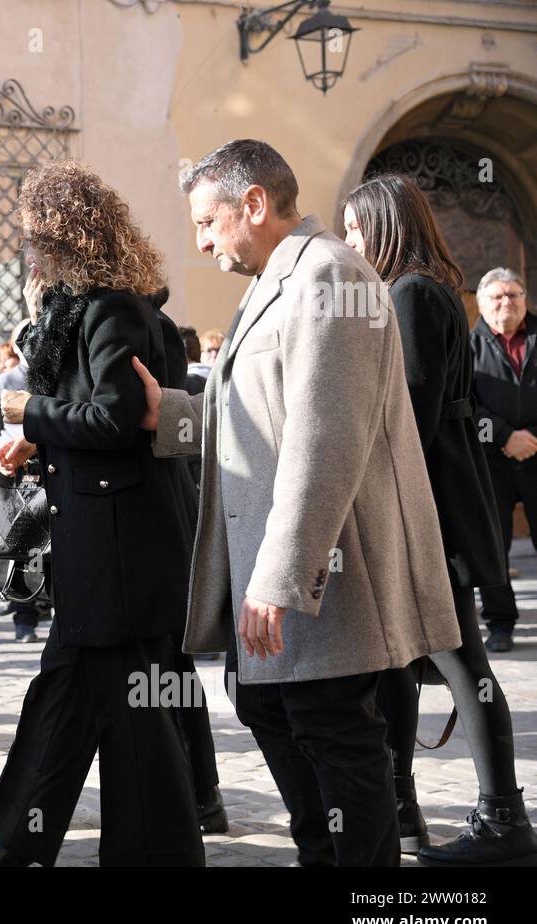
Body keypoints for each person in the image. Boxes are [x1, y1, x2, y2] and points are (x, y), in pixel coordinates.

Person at [136, 139, 461, 867]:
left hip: (329, 580)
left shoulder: (327, 275)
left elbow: (325, 435)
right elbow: (258, 412)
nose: (200, 240)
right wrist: (175, 416)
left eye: (208, 222)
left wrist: (282, 576)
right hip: (287, 571)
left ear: (253, 204)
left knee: (333, 735)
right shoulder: (280, 279)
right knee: (272, 710)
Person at [0, 162, 205, 868]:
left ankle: (154, 856)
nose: (28, 253)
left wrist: (27, 411)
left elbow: (119, 417)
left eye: (35, 238)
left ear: (61, 237)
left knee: (131, 714)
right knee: (66, 698)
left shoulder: (114, 310)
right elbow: (95, 419)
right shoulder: (91, 310)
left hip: (121, 548)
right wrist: (34, 441)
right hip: (97, 541)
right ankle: (21, 845)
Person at [343, 175, 537, 866]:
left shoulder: (412, 292)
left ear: (386, 227)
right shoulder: (416, 289)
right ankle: (400, 811)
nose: (349, 243)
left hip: (432, 507)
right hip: (430, 500)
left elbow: (412, 418)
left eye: (357, 229)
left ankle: (502, 819)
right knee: (400, 662)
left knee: (461, 662)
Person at [471, 267, 537, 652]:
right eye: (496, 296)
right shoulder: (468, 346)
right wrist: (504, 436)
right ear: (482, 304)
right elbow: (465, 403)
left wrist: (531, 440)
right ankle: (500, 624)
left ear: (525, 300)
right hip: (491, 461)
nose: (505, 302)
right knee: (493, 545)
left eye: (513, 294)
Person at [0, 325, 49, 643]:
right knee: (22, 551)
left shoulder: (56, 377)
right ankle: (24, 619)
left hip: (53, 472)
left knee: (56, 548)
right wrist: (7, 459)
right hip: (18, 475)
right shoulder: (3, 383)